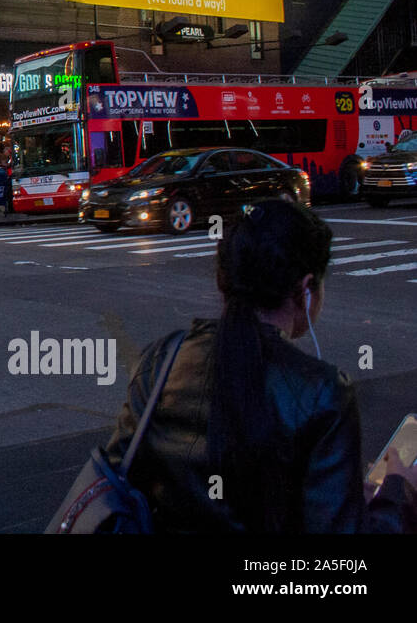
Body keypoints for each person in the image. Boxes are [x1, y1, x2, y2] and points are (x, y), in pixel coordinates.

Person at [103, 200, 417, 533]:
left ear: (224, 278)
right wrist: (400, 491)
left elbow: (117, 482)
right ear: (307, 288)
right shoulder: (323, 392)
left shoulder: (162, 359)